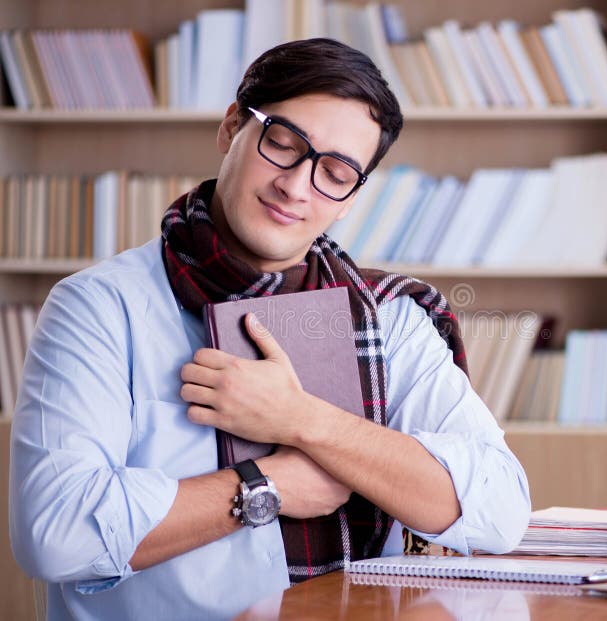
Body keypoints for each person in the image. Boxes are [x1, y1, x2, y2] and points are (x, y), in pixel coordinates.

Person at [9, 38, 530, 620]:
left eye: (334, 172)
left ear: (351, 198)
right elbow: (54, 534)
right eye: (282, 143)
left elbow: (500, 509)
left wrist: (302, 420)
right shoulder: (98, 307)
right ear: (233, 129)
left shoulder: (390, 317)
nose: (297, 186)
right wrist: (264, 486)